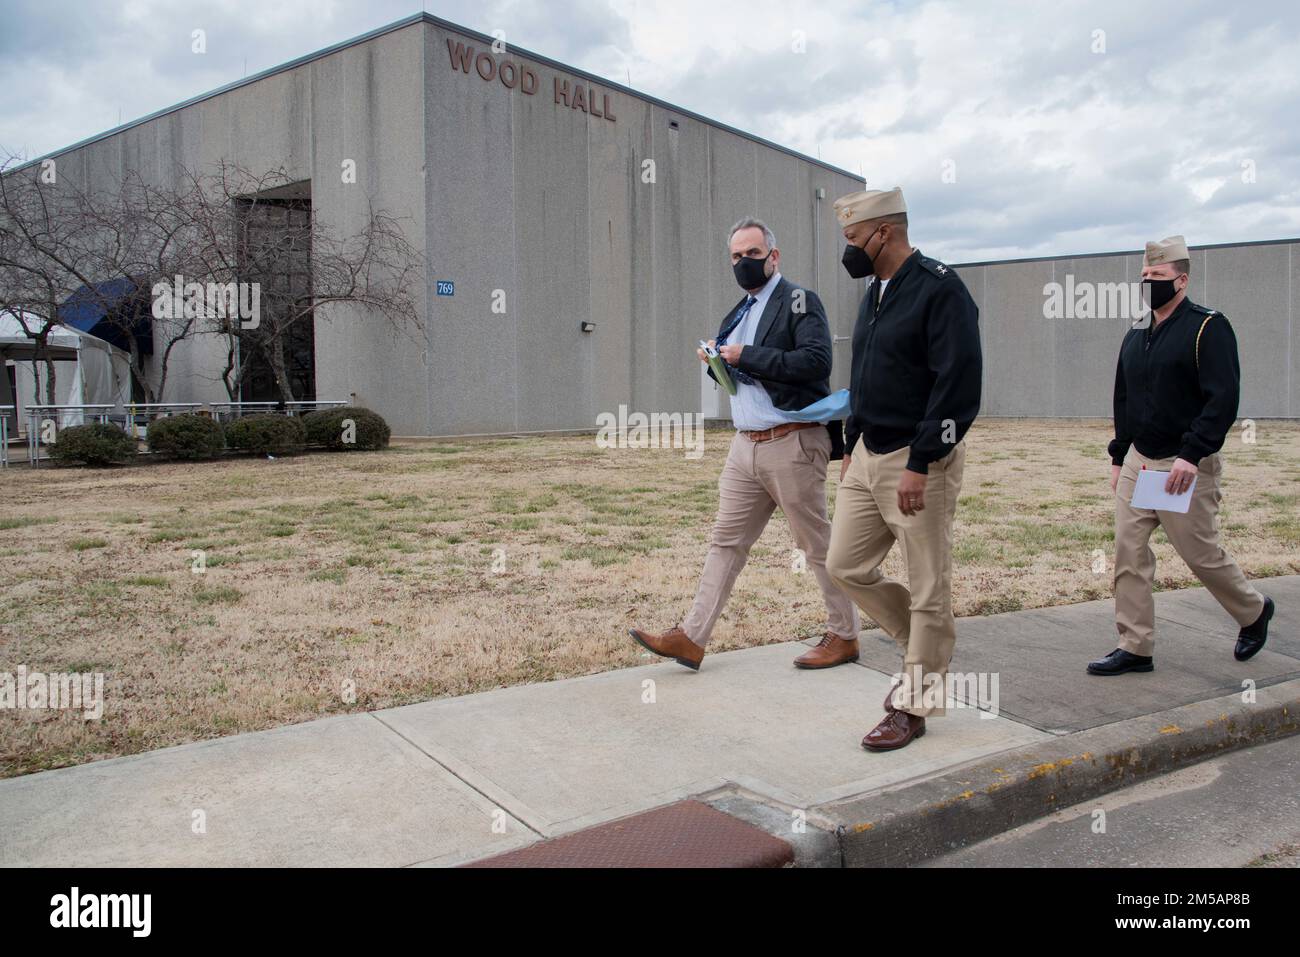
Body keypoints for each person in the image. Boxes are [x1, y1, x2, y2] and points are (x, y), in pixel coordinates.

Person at [628, 217, 859, 670]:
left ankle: (845, 635)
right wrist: (716, 361)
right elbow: (741, 376)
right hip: (744, 447)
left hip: (792, 441)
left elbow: (815, 362)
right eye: (736, 256)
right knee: (725, 542)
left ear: (773, 256)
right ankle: (692, 638)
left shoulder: (799, 300)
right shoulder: (738, 311)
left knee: (815, 545)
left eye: (753, 254)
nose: (744, 263)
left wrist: (745, 355)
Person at [824, 187, 982, 751]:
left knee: (928, 583)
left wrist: (922, 461)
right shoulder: (875, 292)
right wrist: (849, 445)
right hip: (866, 453)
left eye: (851, 239)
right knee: (844, 564)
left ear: (883, 233)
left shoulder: (941, 289)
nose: (847, 250)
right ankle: (924, 645)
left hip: (918, 460)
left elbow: (958, 384)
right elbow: (863, 372)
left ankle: (913, 703)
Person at [1090, 235, 1274, 676]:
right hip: (1140, 462)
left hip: (1182, 467)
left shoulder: (1208, 328)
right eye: (1145, 275)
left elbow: (1222, 399)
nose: (1149, 282)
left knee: (1200, 554)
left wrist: (1193, 455)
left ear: (1182, 280)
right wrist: (1119, 457)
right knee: (1128, 553)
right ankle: (1135, 645)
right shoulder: (1137, 332)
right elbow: (1124, 398)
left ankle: (1253, 611)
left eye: (1158, 275)